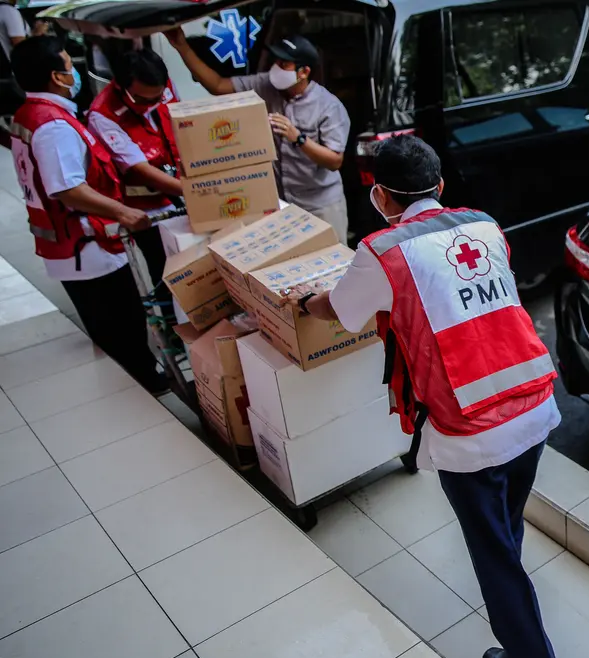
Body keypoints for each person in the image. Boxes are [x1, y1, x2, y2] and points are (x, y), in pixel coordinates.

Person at [291, 135, 564, 658]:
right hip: (534, 403)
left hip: (473, 428)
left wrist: (306, 300)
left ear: (378, 196)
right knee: (504, 523)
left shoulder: (381, 251)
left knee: (492, 551)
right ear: (439, 187)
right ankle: (513, 583)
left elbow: (342, 312)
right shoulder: (485, 226)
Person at [9, 36, 165, 393]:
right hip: (86, 245)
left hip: (67, 243)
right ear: (57, 77)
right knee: (121, 319)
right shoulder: (53, 126)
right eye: (67, 64)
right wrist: (123, 212)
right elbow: (67, 189)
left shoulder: (29, 114)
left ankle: (132, 377)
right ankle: (142, 383)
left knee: (107, 320)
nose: (73, 69)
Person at [163, 30, 351, 241]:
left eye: (284, 64)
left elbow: (335, 161)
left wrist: (298, 138)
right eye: (276, 61)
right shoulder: (265, 85)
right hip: (282, 203)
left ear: (303, 72)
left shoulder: (328, 106)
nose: (276, 68)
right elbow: (217, 85)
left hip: (320, 205)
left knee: (333, 265)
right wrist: (181, 46)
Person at [87, 48, 181, 313]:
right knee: (165, 271)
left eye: (157, 97)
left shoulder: (161, 88)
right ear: (120, 85)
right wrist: (197, 190)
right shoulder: (102, 115)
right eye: (140, 99)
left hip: (181, 190)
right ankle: (175, 331)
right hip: (147, 208)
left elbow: (184, 125)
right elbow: (138, 168)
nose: (149, 105)